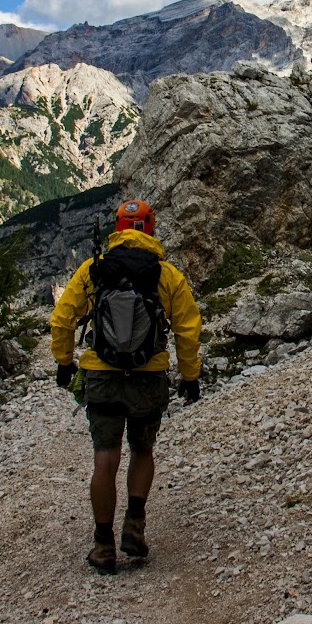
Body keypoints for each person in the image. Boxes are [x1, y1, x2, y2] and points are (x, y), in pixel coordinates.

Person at [50, 199, 202, 574]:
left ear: (118, 229)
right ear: (149, 228)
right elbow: (187, 329)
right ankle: (134, 526)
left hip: (101, 373)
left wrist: (65, 362)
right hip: (148, 374)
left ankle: (102, 547)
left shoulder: (94, 269)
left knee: (105, 457)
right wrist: (190, 376)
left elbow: (62, 319)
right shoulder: (166, 275)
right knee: (142, 449)